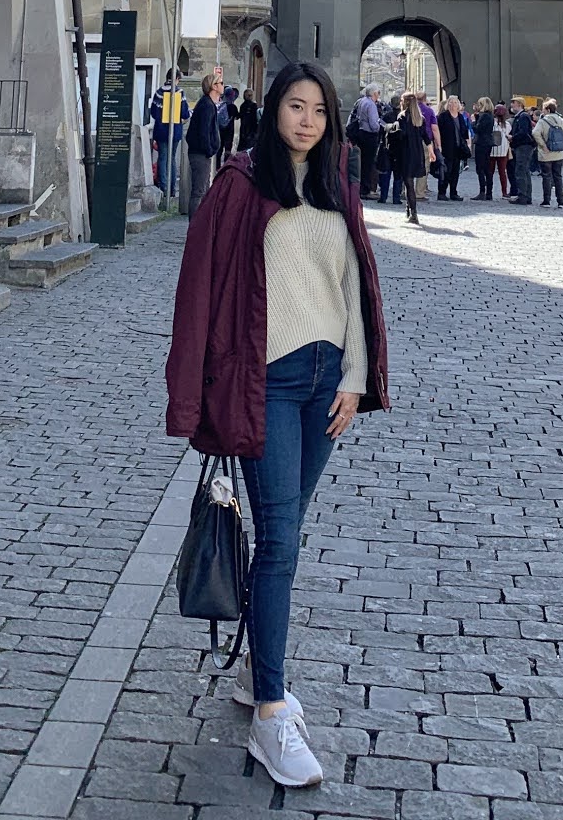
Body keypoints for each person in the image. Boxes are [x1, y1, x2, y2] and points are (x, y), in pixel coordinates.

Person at [165, 60, 389, 790]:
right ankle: (270, 711)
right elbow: (200, 289)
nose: (307, 121)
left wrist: (357, 379)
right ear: (275, 113)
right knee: (283, 542)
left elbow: (356, 287)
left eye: (320, 111)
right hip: (266, 383)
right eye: (296, 107)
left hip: (327, 387)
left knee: (280, 537)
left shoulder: (335, 189)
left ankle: (259, 670)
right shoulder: (240, 186)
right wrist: (197, 390)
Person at [184, 77, 224, 218]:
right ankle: (194, 225)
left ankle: (200, 224)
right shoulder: (206, 105)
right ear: (214, 86)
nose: (222, 86)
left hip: (202, 153)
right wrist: (209, 149)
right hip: (200, 153)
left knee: (204, 190)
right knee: (199, 191)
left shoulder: (208, 104)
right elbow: (203, 131)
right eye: (220, 83)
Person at [391, 91, 429, 224]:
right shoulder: (420, 117)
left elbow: (402, 136)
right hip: (417, 153)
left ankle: (413, 213)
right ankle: (409, 210)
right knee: (410, 183)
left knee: (408, 184)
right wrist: (432, 151)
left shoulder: (402, 117)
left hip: (406, 153)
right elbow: (426, 136)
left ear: (405, 102)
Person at [533, 98, 563, 208]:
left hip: (546, 154)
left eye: (543, 109)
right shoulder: (561, 120)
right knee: (558, 177)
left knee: (546, 177)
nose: (542, 111)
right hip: (558, 154)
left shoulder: (542, 121)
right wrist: (562, 144)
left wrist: (543, 145)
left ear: (548, 110)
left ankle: (546, 201)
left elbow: (535, 133)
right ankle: (560, 202)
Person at [353, 86, 383, 199]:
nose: (378, 96)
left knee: (363, 163)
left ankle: (361, 188)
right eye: (378, 93)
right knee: (368, 164)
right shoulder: (371, 104)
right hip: (369, 135)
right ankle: (365, 190)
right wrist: (380, 126)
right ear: (374, 93)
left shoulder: (362, 101)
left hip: (361, 134)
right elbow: (374, 125)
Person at [436, 95, 466, 201]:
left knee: (455, 172)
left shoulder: (460, 117)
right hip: (446, 147)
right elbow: (438, 131)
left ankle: (454, 192)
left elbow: (464, 132)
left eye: (455, 102)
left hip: (458, 148)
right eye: (451, 102)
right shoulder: (443, 116)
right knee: (445, 171)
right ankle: (442, 192)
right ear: (447, 104)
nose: (453, 104)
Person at [507, 97, 535, 203]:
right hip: (524, 146)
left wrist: (512, 137)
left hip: (523, 146)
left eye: (513, 103)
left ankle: (522, 195)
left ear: (519, 104)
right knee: (525, 171)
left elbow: (523, 132)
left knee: (520, 171)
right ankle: (527, 196)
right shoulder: (523, 116)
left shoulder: (522, 116)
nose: (512, 106)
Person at [471, 98, 497, 198]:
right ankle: (488, 192)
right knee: (487, 167)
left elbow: (478, 129)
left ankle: (483, 191)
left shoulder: (485, 116)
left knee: (481, 168)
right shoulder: (489, 116)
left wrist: (473, 122)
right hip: (487, 143)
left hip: (482, 143)